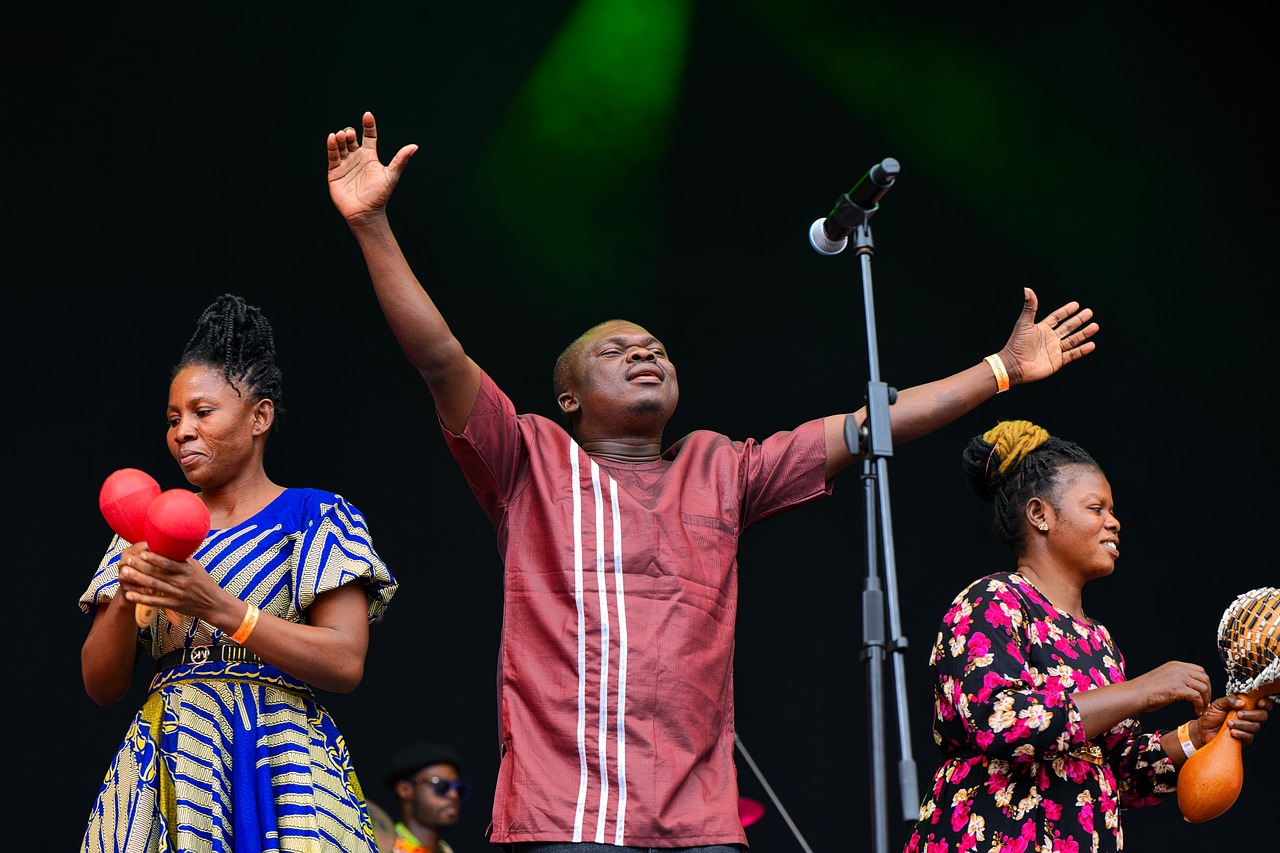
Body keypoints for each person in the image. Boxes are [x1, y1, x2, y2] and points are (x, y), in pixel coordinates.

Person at [324, 110, 1100, 852]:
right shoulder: (529, 456)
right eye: (616, 350)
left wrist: (1001, 370)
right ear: (568, 399)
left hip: (702, 819)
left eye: (657, 347)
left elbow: (872, 422)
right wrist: (371, 227)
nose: (645, 353)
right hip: (568, 811)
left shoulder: (721, 466)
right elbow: (440, 356)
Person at [79, 293, 398, 853]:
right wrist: (128, 595)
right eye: (174, 418)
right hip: (173, 758)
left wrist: (219, 607)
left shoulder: (314, 516)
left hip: (282, 760)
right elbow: (101, 686)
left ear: (260, 416)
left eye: (203, 413)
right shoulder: (144, 528)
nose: (182, 432)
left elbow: (345, 662)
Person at [903, 419, 1273, 853]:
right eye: (1096, 509)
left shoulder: (1099, 641)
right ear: (1039, 514)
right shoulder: (992, 601)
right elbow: (1003, 723)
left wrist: (1195, 735)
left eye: (1112, 511)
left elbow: (1119, 774)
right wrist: (1140, 691)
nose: (1114, 523)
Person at [384, 742, 470, 853]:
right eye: (442, 786)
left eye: (459, 788)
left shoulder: (446, 849)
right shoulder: (382, 847)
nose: (453, 795)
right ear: (404, 790)